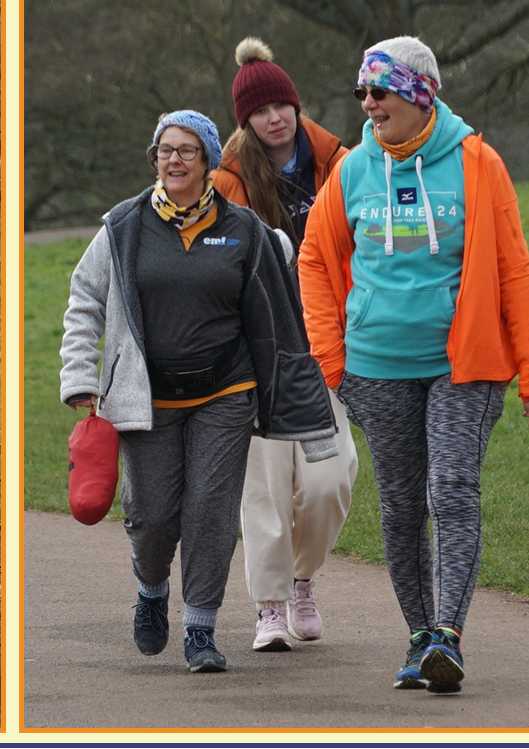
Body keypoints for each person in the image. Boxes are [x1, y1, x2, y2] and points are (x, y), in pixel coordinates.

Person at [297, 36, 529, 695]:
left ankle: (448, 635)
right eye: (362, 91)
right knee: (402, 505)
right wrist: (332, 359)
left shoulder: (477, 163)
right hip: (375, 366)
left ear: (418, 94)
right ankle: (418, 639)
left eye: (380, 90)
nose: (367, 102)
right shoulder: (352, 171)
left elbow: (514, 267)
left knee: (453, 489)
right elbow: (315, 260)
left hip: (463, 364)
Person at [59, 110, 339, 674]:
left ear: (209, 160)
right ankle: (152, 589)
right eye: (165, 150)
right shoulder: (124, 226)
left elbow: (283, 279)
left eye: (187, 150)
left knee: (211, 512)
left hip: (226, 392)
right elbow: (85, 298)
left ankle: (200, 629)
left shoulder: (243, 229)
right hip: (147, 398)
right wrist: (81, 375)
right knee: (153, 516)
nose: (175, 160)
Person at [207, 37, 360, 653]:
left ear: (296, 106)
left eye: (282, 106)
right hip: (256, 353)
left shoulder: (341, 164)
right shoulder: (228, 180)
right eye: (261, 111)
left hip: (327, 344)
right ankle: (270, 606)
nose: (275, 119)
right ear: (245, 121)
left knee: (330, 480)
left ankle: (302, 579)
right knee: (265, 485)